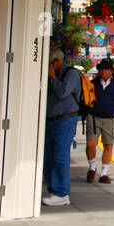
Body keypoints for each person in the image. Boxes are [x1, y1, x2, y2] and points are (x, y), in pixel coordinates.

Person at [43, 49, 81, 206]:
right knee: (49, 157)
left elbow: (62, 92)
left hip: (65, 120)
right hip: (51, 120)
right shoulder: (52, 76)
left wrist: (52, 77)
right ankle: (54, 189)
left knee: (60, 156)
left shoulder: (71, 74)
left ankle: (61, 193)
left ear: (56, 61)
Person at [85, 59, 114, 184]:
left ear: (111, 71)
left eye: (106, 68)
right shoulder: (92, 84)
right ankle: (92, 167)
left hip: (111, 118)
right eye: (102, 68)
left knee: (108, 146)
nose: (103, 71)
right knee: (90, 143)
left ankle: (104, 173)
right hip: (94, 117)